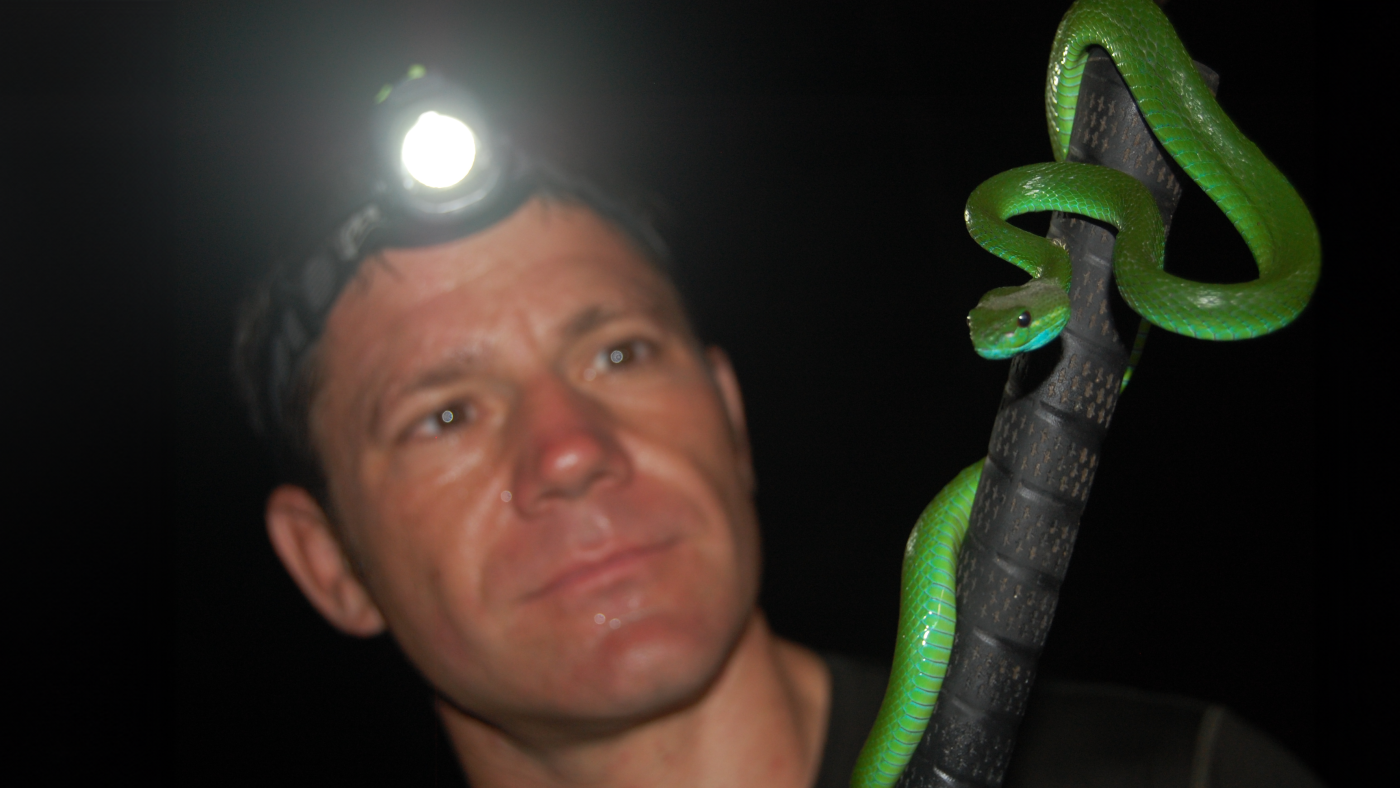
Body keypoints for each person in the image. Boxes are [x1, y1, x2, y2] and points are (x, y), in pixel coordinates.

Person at [233, 72, 1324, 788]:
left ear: (730, 413)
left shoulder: (1186, 774)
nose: (569, 448)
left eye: (618, 352)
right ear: (326, 562)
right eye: (446, 412)